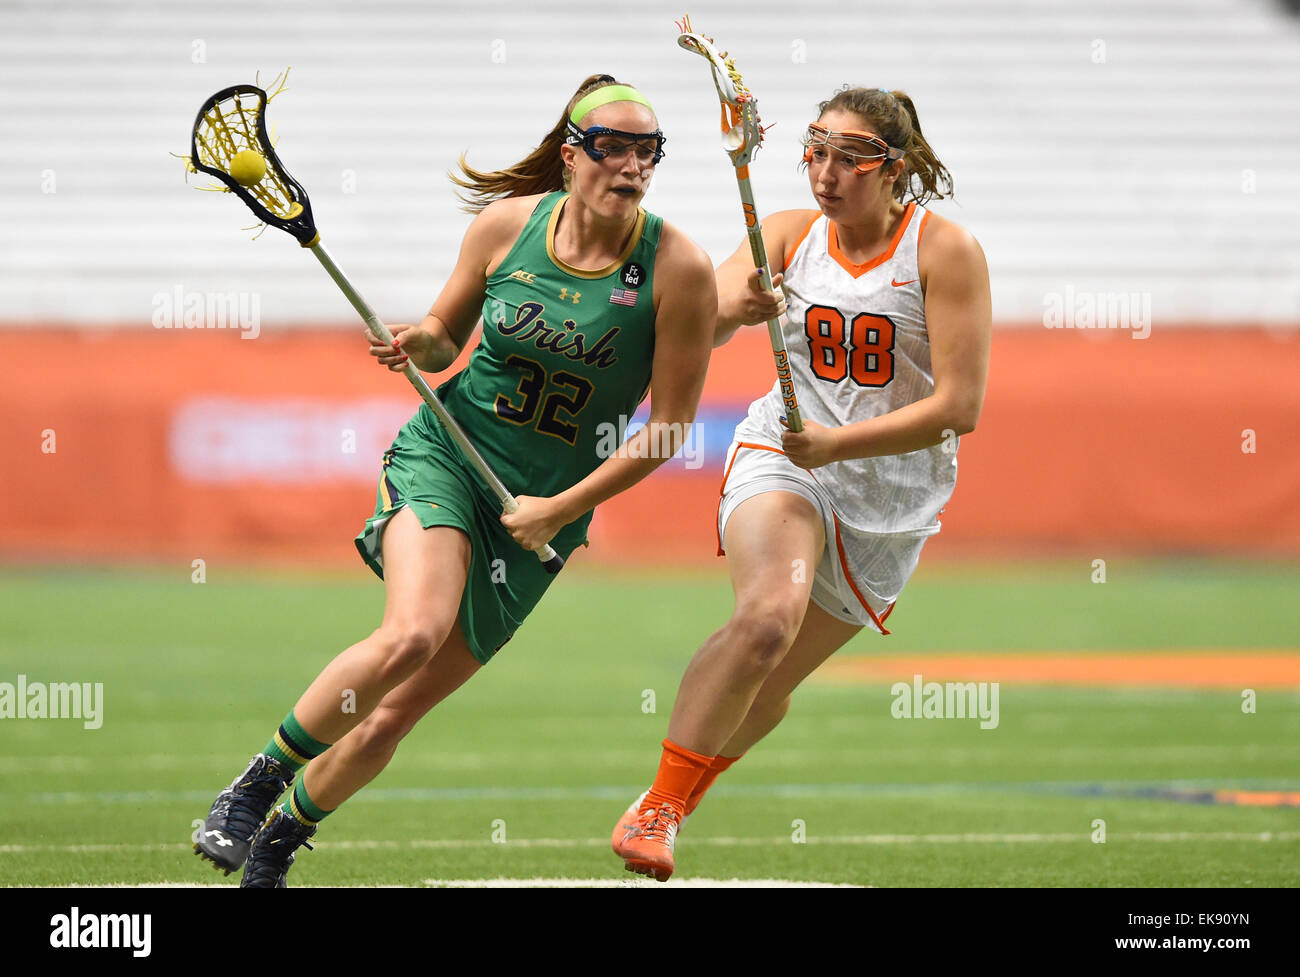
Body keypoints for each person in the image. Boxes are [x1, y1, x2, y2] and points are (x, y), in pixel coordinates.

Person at [193, 74, 716, 887]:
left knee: (394, 714)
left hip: (541, 512)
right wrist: (420, 344)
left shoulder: (677, 268)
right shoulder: (508, 227)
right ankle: (250, 788)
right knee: (412, 631)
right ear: (572, 155)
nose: (633, 167)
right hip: (449, 455)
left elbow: (672, 426)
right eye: (613, 148)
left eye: (649, 152)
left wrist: (563, 509)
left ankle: (275, 845)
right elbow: (445, 337)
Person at [611, 86, 992, 881]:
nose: (826, 171)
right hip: (785, 456)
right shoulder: (785, 234)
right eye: (816, 150)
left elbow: (959, 407)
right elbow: (696, 326)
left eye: (849, 157)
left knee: (772, 683)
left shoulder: (942, 252)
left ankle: (676, 795)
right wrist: (734, 308)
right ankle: (660, 804)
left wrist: (841, 443)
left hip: (888, 500)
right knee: (766, 620)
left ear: (895, 168)